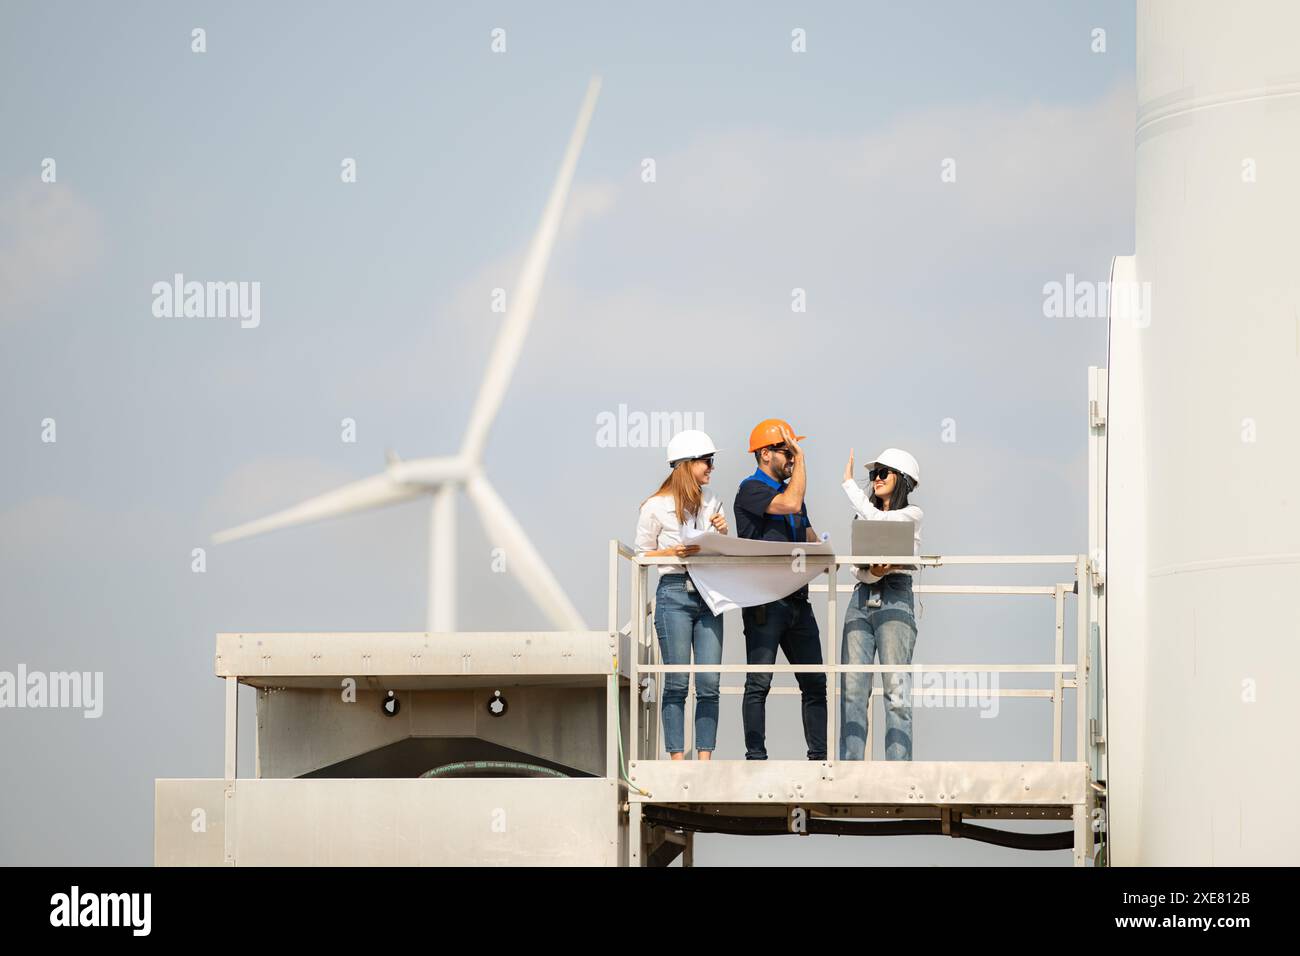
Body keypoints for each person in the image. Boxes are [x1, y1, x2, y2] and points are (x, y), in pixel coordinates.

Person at [733, 419, 826, 761]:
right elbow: (787, 505)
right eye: (787, 451)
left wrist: (829, 552)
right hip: (765, 602)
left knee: (815, 683)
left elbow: (810, 535)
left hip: (798, 602)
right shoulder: (750, 489)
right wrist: (802, 461)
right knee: (759, 683)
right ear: (764, 454)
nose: (792, 457)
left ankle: (819, 757)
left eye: (793, 452)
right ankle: (756, 759)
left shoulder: (795, 495)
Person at [635, 430, 728, 760]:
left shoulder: (712, 500)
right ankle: (677, 761)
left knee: (709, 683)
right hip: (674, 591)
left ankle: (704, 761)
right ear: (687, 465)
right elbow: (642, 555)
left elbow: (721, 551)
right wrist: (674, 551)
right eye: (707, 461)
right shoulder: (654, 507)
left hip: (709, 593)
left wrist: (722, 533)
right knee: (675, 682)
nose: (711, 468)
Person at [839, 447, 923, 761]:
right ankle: (851, 766)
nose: (874, 479)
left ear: (901, 480)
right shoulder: (864, 515)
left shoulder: (912, 514)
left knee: (896, 691)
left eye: (882, 473)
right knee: (853, 689)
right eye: (873, 474)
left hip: (896, 596)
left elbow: (885, 524)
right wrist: (873, 572)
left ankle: (898, 770)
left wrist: (849, 485)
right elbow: (855, 568)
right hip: (863, 594)